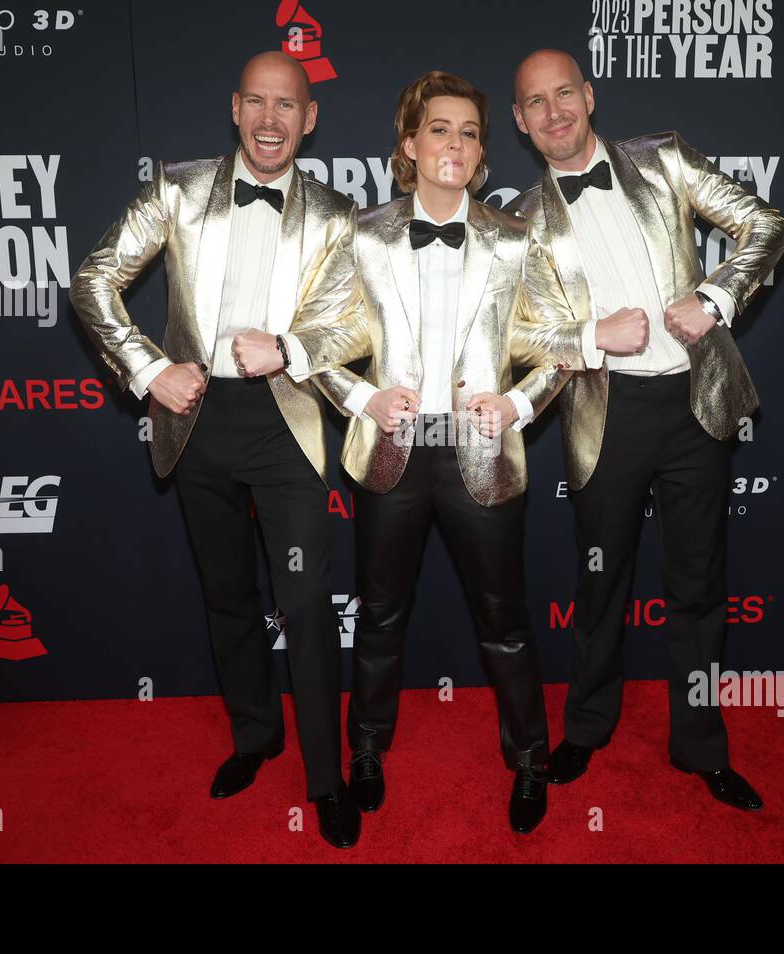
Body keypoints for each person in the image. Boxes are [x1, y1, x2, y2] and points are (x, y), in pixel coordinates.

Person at [233, 69, 646, 834]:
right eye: (439, 129)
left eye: (468, 132)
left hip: (482, 453)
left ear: (481, 154)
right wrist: (362, 399)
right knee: (382, 617)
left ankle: (528, 759)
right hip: (392, 452)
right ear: (409, 146)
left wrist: (516, 404)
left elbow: (557, 341)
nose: (453, 143)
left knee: (506, 622)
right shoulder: (361, 235)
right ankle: (365, 750)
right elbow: (318, 336)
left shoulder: (517, 241)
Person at [68, 51, 361, 848]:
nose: (271, 120)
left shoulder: (337, 216)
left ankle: (326, 778)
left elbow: (353, 327)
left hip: (286, 426)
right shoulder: (179, 188)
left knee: (305, 607)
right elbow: (94, 278)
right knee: (227, 595)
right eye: (257, 103)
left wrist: (294, 347)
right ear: (236, 109)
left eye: (287, 105)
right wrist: (149, 368)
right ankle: (254, 734)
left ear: (310, 118)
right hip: (196, 421)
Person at [505, 48, 784, 811]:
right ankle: (589, 729)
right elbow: (519, 337)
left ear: (589, 96)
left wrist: (717, 297)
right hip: (608, 415)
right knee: (600, 585)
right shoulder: (519, 223)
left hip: (696, 404)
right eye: (536, 102)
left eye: (565, 93)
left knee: (698, 586)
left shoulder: (661, 160)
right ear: (520, 121)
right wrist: (590, 335)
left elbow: (765, 224)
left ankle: (700, 744)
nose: (554, 111)